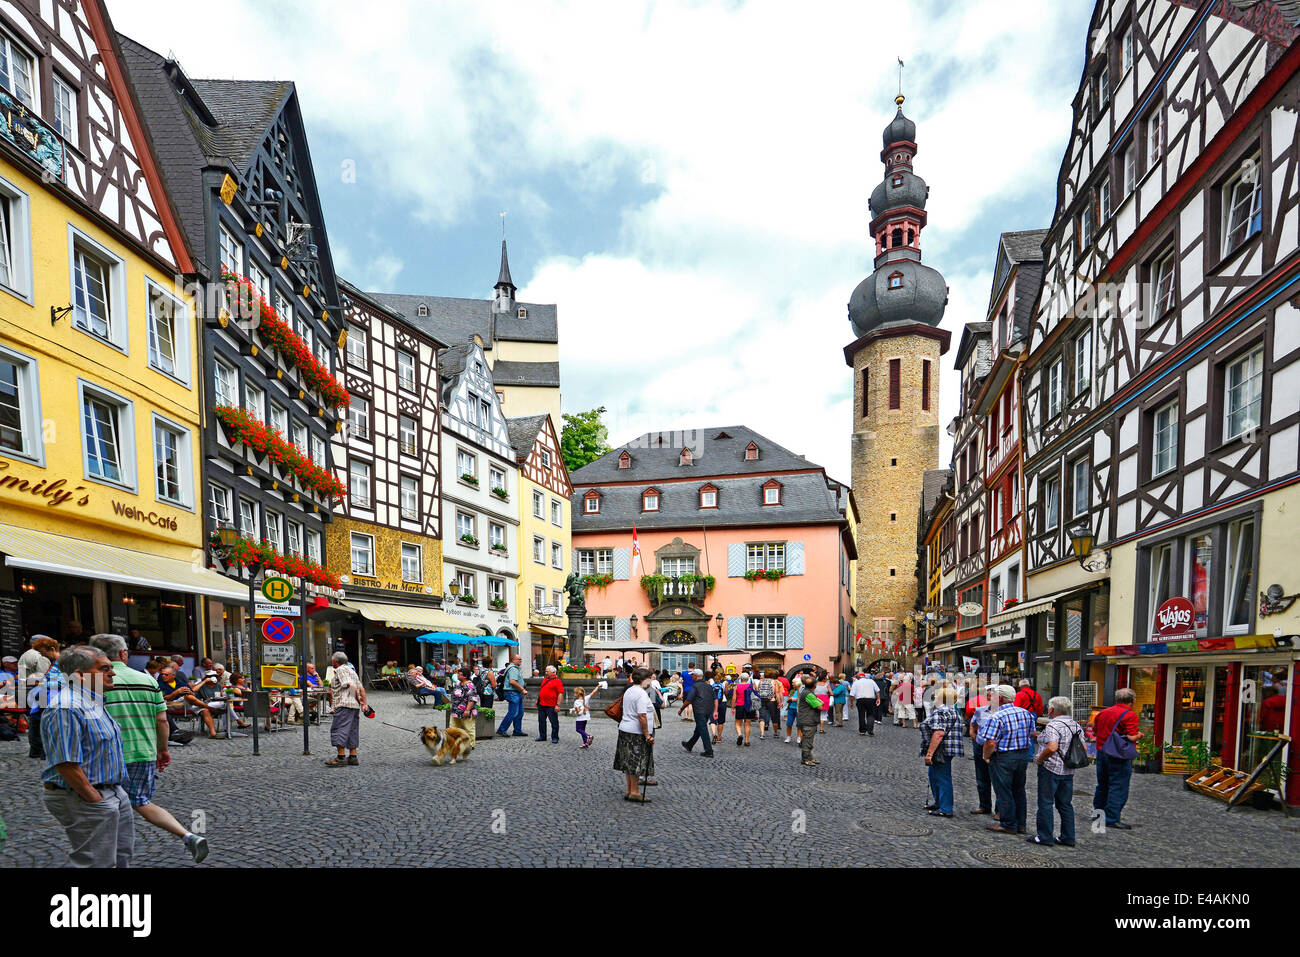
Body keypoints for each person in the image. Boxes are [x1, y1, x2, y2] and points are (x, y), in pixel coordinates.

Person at [89, 634, 208, 862]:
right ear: (123, 653)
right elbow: (162, 720)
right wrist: (162, 750)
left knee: (102, 804)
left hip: (106, 754)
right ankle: (187, 835)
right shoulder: (146, 680)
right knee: (140, 801)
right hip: (142, 750)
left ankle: (108, 854)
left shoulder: (93, 681)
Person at [39, 645, 132, 867]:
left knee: (121, 857)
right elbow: (66, 763)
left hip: (111, 792)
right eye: (104, 668)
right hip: (84, 797)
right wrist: (94, 799)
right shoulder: (66, 707)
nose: (113, 673)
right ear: (79, 675)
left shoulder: (92, 701)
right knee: (97, 863)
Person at [977, 684, 1036, 835]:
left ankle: (1008, 824)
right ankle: (1021, 824)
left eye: (994, 696)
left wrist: (985, 756)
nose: (991, 699)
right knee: (1019, 789)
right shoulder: (1026, 713)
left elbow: (991, 742)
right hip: (1022, 756)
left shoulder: (997, 716)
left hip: (1004, 757)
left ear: (1001, 698)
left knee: (1004, 790)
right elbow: (1032, 733)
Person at [1030, 696, 1083, 847]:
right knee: (1065, 804)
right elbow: (1083, 748)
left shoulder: (1053, 725)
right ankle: (1068, 837)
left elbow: (1052, 747)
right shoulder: (1076, 725)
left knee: (1046, 803)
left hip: (1050, 768)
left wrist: (1040, 758)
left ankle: (1045, 836)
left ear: (1052, 710)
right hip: (1068, 770)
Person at [1093, 687, 1142, 830]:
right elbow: (1131, 736)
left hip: (1102, 752)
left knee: (1102, 785)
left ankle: (1098, 814)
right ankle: (1111, 818)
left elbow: (1095, 732)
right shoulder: (1130, 715)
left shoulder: (1103, 712)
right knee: (1118, 786)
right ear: (1132, 700)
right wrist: (1140, 735)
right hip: (1118, 754)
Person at [919, 686, 964, 817]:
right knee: (935, 775)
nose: (934, 697)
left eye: (936, 695)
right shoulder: (953, 711)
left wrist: (929, 753)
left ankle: (945, 808)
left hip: (941, 749)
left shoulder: (940, 712)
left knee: (942, 777)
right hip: (949, 748)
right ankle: (939, 802)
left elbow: (938, 733)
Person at [614, 668, 657, 802]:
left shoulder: (629, 690)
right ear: (644, 679)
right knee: (637, 763)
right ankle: (635, 792)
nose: (650, 682)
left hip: (625, 728)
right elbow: (642, 715)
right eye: (649, 679)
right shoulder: (641, 694)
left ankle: (629, 790)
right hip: (636, 732)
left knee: (628, 763)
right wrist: (647, 735)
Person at [19, 636, 59, 760]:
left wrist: (41, 683)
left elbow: (60, 681)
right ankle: (40, 751)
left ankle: (40, 751)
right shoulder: (53, 662)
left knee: (39, 722)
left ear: (52, 649)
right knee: (38, 722)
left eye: (42, 652)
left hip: (48, 696)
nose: (42, 655)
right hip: (44, 695)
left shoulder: (60, 662)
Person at [325, 651, 366, 767]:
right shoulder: (352, 671)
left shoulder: (340, 670)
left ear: (335, 661)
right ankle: (353, 757)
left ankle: (341, 757)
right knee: (352, 730)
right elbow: (361, 689)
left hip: (344, 704)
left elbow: (350, 685)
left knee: (339, 729)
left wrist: (359, 699)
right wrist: (363, 704)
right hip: (354, 706)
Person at [157, 664, 219, 738]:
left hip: (187, 703)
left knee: (204, 710)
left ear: (173, 675)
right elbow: (164, 698)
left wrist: (190, 692)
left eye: (166, 674)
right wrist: (176, 692)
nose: (163, 676)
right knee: (188, 697)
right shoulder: (160, 684)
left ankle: (213, 733)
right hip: (172, 704)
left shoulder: (180, 682)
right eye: (162, 674)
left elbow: (193, 694)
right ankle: (211, 708)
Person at [967, 684, 999, 815]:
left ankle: (999, 810)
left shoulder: (1001, 712)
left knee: (998, 779)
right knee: (981, 778)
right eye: (988, 696)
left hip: (996, 749)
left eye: (992, 696)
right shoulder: (980, 710)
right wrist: (972, 733)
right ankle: (984, 805)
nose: (989, 698)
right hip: (980, 746)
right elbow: (973, 722)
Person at [679, 668, 716, 758]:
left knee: (703, 729)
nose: (691, 676)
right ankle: (689, 744)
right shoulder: (708, 686)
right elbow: (714, 698)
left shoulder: (695, 686)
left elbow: (688, 700)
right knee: (699, 729)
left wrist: (681, 709)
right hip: (708, 709)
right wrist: (714, 710)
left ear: (695, 676)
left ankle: (709, 750)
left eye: (692, 675)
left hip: (699, 710)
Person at [795, 672, 826, 766]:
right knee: (807, 740)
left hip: (807, 719)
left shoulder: (807, 692)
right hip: (808, 720)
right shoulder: (808, 694)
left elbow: (820, 703)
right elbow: (820, 706)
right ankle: (805, 759)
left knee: (808, 740)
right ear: (814, 685)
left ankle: (809, 757)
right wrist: (820, 703)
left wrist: (820, 703)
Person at [495, 653, 528, 737]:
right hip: (513, 693)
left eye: (521, 659)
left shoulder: (513, 668)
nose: (521, 660)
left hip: (515, 693)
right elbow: (512, 681)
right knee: (513, 712)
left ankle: (517, 730)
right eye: (519, 659)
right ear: (513, 660)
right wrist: (522, 689)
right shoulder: (513, 669)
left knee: (519, 713)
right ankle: (502, 729)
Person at [449, 667, 479, 750]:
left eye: (460, 674)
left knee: (469, 728)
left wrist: (467, 710)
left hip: (466, 710)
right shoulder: (458, 684)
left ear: (465, 676)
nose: (458, 675)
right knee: (453, 728)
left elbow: (472, 699)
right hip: (455, 710)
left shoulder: (470, 685)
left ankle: (470, 744)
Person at [535, 665, 564, 743]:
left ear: (553, 672)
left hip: (551, 705)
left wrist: (558, 705)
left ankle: (555, 737)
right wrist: (538, 700)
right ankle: (542, 736)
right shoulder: (545, 679)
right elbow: (542, 690)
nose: (546, 673)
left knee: (554, 722)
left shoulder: (557, 681)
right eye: (545, 671)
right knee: (541, 721)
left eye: (547, 671)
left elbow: (560, 693)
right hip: (541, 704)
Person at [850, 672, 881, 736]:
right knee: (870, 714)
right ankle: (870, 730)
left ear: (858, 677)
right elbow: (877, 690)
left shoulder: (856, 683)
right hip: (870, 699)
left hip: (860, 700)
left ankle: (862, 730)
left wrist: (851, 703)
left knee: (861, 715)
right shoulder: (871, 681)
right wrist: (878, 698)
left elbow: (852, 694)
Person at [732, 670, 756, 746]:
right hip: (749, 706)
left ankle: (740, 734)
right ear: (748, 678)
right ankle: (747, 741)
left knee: (738, 723)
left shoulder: (736, 686)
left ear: (740, 679)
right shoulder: (751, 686)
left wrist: (732, 708)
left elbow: (734, 698)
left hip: (740, 706)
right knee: (747, 724)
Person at [754, 670, 779, 739]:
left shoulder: (761, 681)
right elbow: (776, 692)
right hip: (771, 701)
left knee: (762, 717)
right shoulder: (774, 682)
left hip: (762, 700)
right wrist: (779, 702)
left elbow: (758, 690)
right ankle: (775, 733)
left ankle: (762, 734)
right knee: (774, 717)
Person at [784, 675, 801, 744]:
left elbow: (801, 699)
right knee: (789, 723)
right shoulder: (792, 691)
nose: (792, 684)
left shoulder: (801, 691)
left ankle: (799, 737)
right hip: (791, 708)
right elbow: (789, 699)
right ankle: (788, 737)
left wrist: (793, 699)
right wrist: (789, 699)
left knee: (799, 724)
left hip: (799, 709)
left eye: (793, 682)